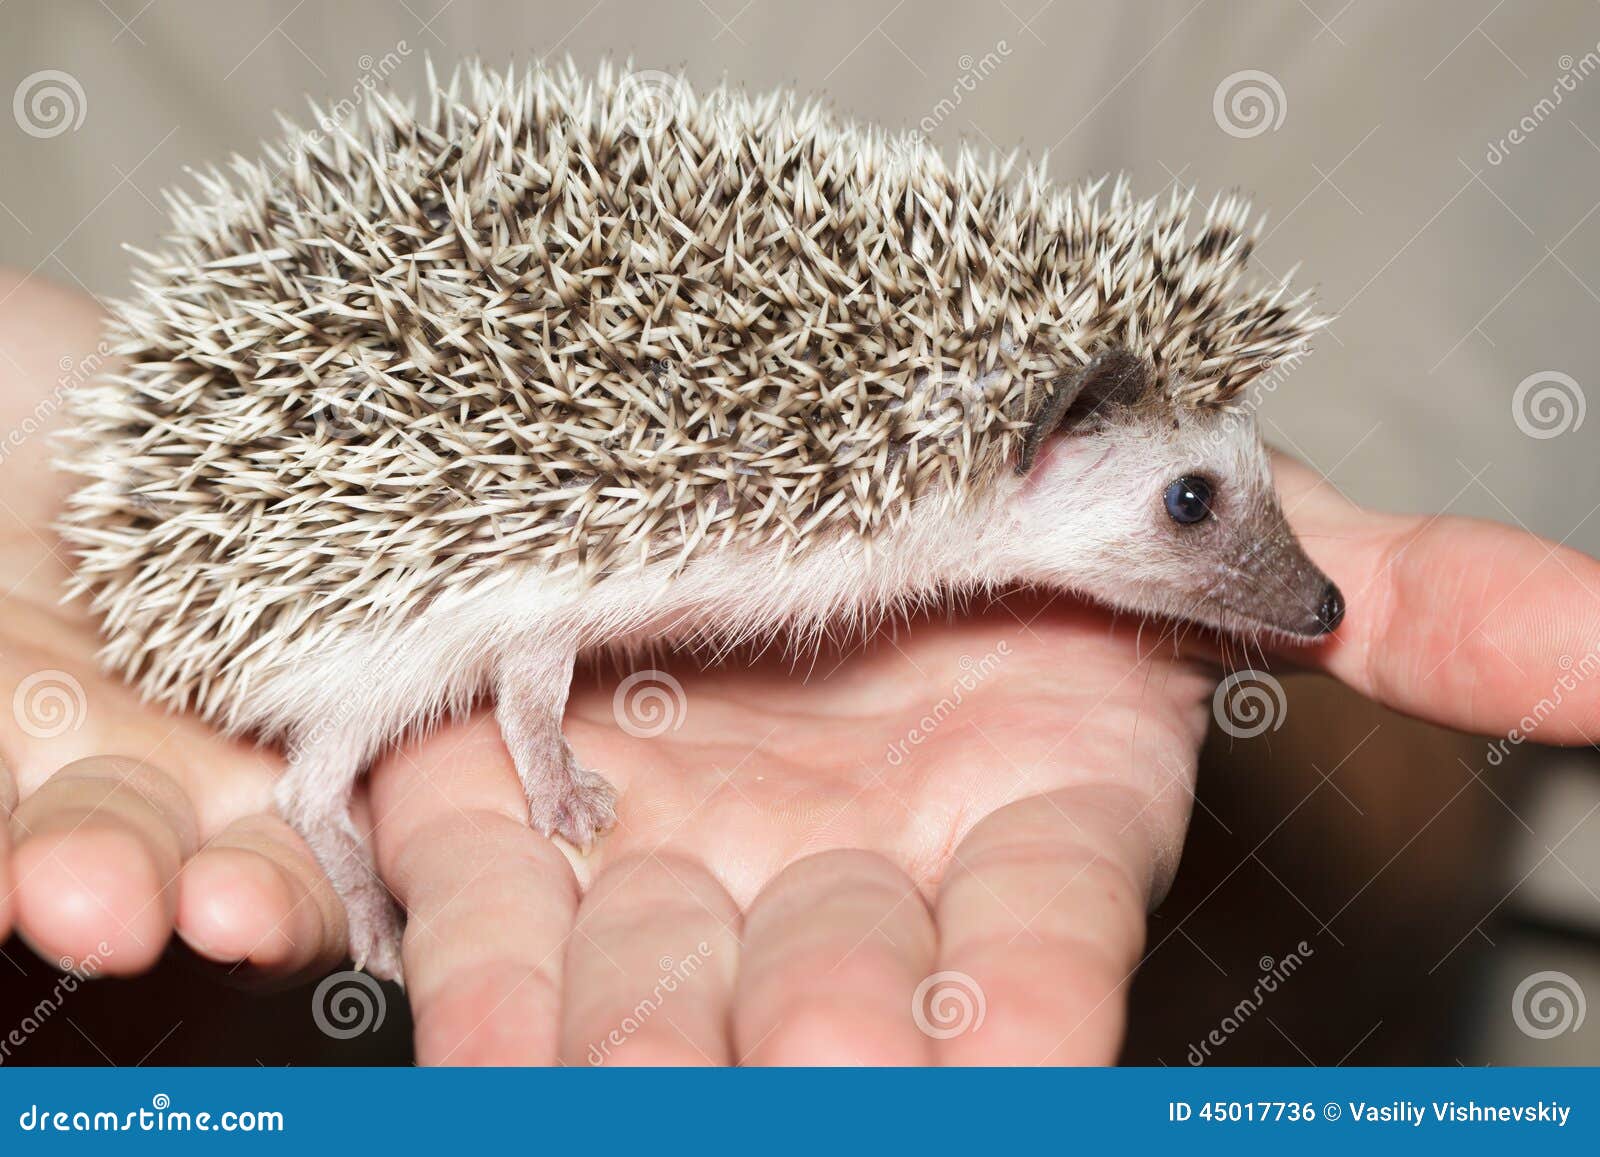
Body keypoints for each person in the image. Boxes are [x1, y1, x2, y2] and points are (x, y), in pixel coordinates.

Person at [1, 271, 1595, 1065]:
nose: (1271, 577)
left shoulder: (908, 507)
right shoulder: (815, 520)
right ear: (1037, 454)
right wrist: (542, 757)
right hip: (317, 593)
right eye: (1192, 510)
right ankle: (325, 800)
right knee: (380, 699)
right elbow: (563, 573)